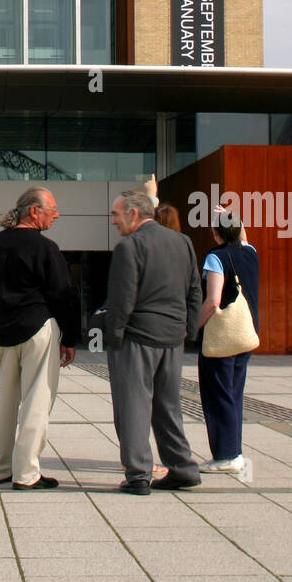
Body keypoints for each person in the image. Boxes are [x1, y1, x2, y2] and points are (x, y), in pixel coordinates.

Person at [0, 187, 79, 491]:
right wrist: (70, 338)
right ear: (34, 211)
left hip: (3, 334)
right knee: (37, 400)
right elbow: (64, 295)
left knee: (4, 400)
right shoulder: (45, 248)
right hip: (38, 329)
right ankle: (26, 472)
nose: (56, 215)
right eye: (53, 209)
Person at [106, 190, 202, 495]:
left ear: (134, 214)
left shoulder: (129, 247)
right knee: (168, 406)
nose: (113, 221)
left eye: (116, 215)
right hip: (172, 340)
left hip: (138, 338)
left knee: (132, 405)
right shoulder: (182, 242)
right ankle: (182, 468)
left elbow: (122, 299)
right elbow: (194, 290)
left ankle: (137, 474)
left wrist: (114, 338)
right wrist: (188, 331)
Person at [197, 209, 259, 473]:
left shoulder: (215, 258)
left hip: (221, 338)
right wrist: (232, 217)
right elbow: (241, 236)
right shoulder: (251, 252)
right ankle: (234, 451)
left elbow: (212, 301)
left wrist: (191, 327)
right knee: (234, 394)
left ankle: (227, 455)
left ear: (215, 233)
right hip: (245, 335)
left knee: (218, 396)